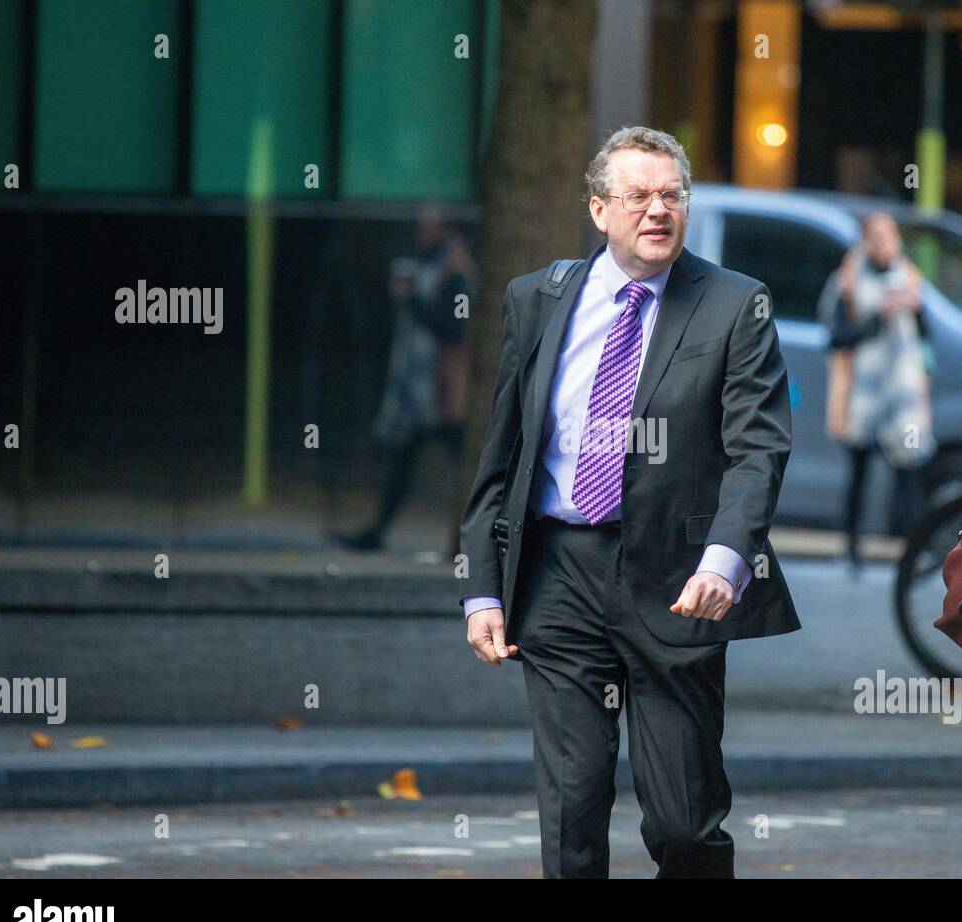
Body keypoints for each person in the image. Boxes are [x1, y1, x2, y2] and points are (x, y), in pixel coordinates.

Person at [457, 126, 800, 878]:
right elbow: (504, 454)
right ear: (598, 209)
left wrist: (725, 559)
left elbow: (758, 449)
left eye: (671, 194)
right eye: (637, 196)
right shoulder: (536, 300)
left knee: (683, 822)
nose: (657, 209)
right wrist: (483, 583)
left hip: (677, 581)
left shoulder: (736, 305)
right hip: (559, 576)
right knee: (572, 810)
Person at [341, 207, 473, 551]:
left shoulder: (455, 271)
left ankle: (475, 537)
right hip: (421, 390)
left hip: (439, 389)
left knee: (467, 458)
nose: (420, 234)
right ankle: (378, 532)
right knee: (406, 460)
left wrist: (413, 299)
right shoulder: (430, 266)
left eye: (428, 227)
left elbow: (454, 328)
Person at [819, 212, 934, 570]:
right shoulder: (848, 283)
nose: (887, 244)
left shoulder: (909, 278)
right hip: (863, 394)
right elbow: (837, 337)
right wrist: (877, 316)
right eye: (879, 236)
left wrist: (914, 309)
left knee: (909, 471)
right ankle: (851, 548)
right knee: (859, 473)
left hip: (902, 396)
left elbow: (925, 335)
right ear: (866, 242)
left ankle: (914, 551)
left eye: (892, 235)